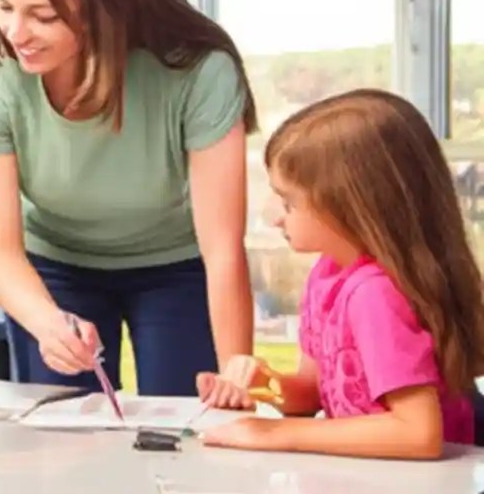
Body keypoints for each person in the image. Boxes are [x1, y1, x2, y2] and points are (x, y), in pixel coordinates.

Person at [0, 0, 258, 395]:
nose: (15, 32)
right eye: (4, 7)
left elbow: (223, 248)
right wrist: (48, 324)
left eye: (43, 15)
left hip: (175, 264)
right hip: (52, 263)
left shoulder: (199, 73)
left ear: (105, 4)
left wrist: (235, 375)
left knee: (186, 417)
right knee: (63, 429)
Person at [197, 89, 484, 459]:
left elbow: (418, 434)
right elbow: (313, 391)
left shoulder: (376, 296)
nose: (275, 216)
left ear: (350, 206)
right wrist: (266, 384)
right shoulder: (328, 275)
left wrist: (278, 433)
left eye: (289, 202)